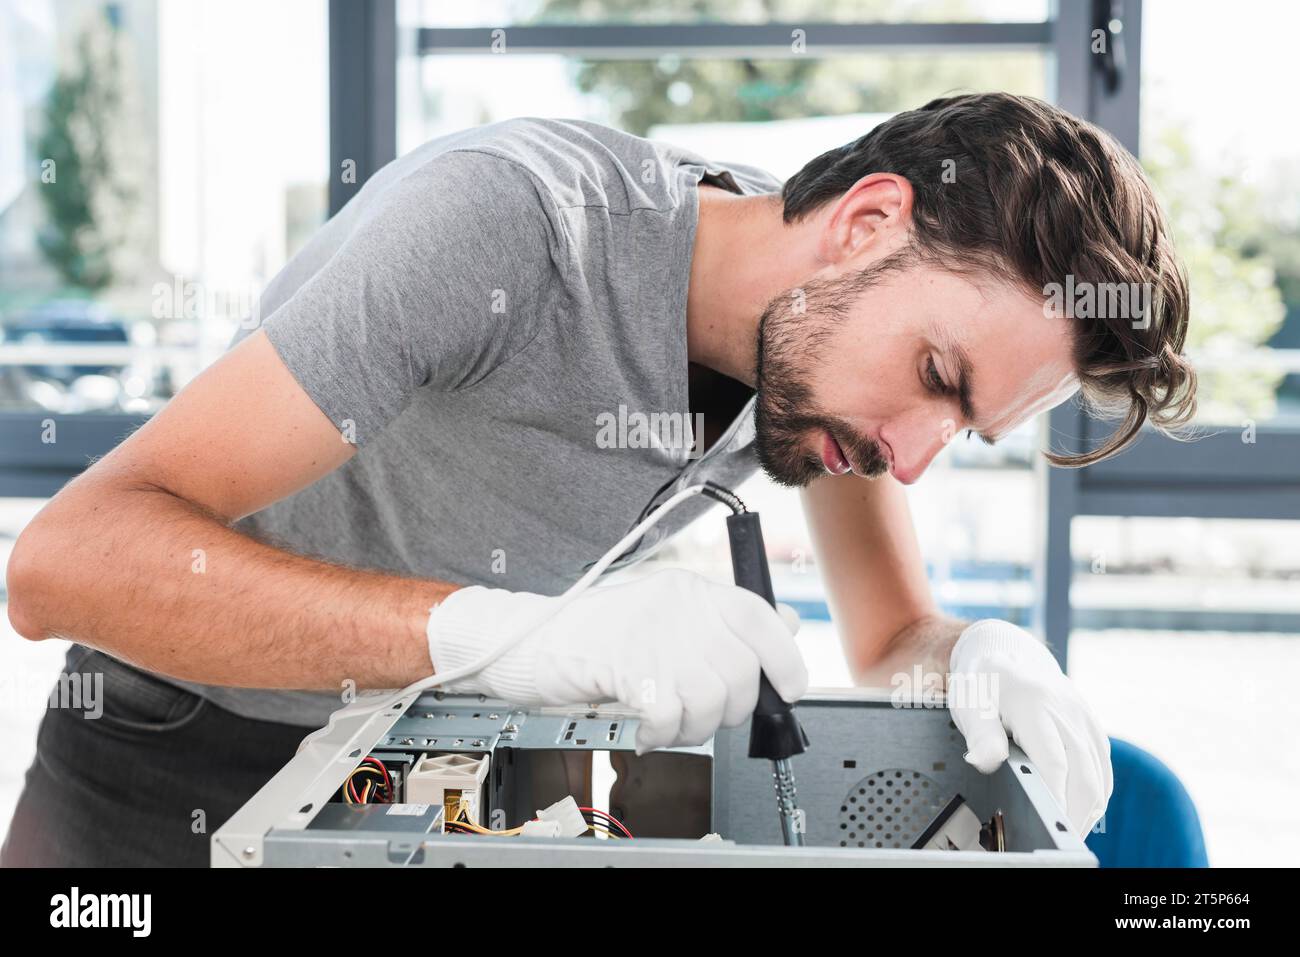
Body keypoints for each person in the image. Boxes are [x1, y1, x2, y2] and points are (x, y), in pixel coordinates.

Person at [3, 93, 1195, 866]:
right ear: (865, 220)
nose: (916, 455)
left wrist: (978, 657)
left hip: (404, 772)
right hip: (166, 761)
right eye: (939, 376)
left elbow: (891, 635)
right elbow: (63, 564)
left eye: (968, 429)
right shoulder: (510, 228)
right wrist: (505, 637)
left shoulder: (820, 361)